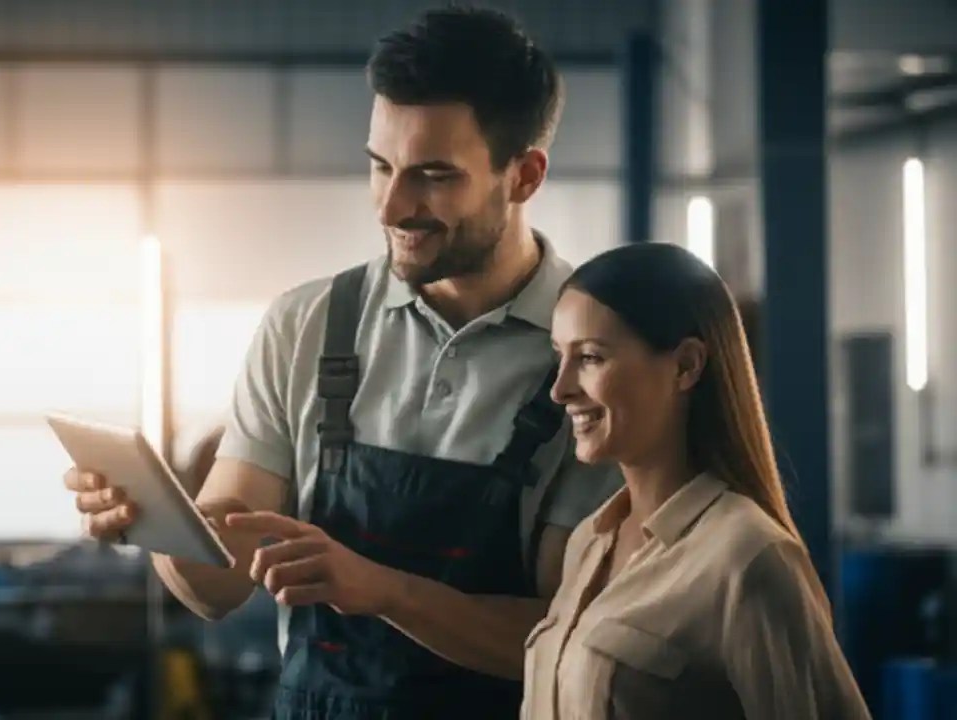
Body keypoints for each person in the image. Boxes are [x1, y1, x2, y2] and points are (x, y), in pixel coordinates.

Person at [67, 7, 620, 718]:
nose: (392, 205)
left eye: (433, 176)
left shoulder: (593, 356)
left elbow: (569, 636)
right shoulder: (305, 327)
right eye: (380, 165)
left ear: (524, 176)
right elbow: (219, 589)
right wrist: (158, 525)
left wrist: (386, 590)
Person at [523, 242, 870, 718]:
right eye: (559, 356)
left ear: (686, 365)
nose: (559, 389)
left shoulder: (747, 558)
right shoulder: (588, 542)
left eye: (590, 358)